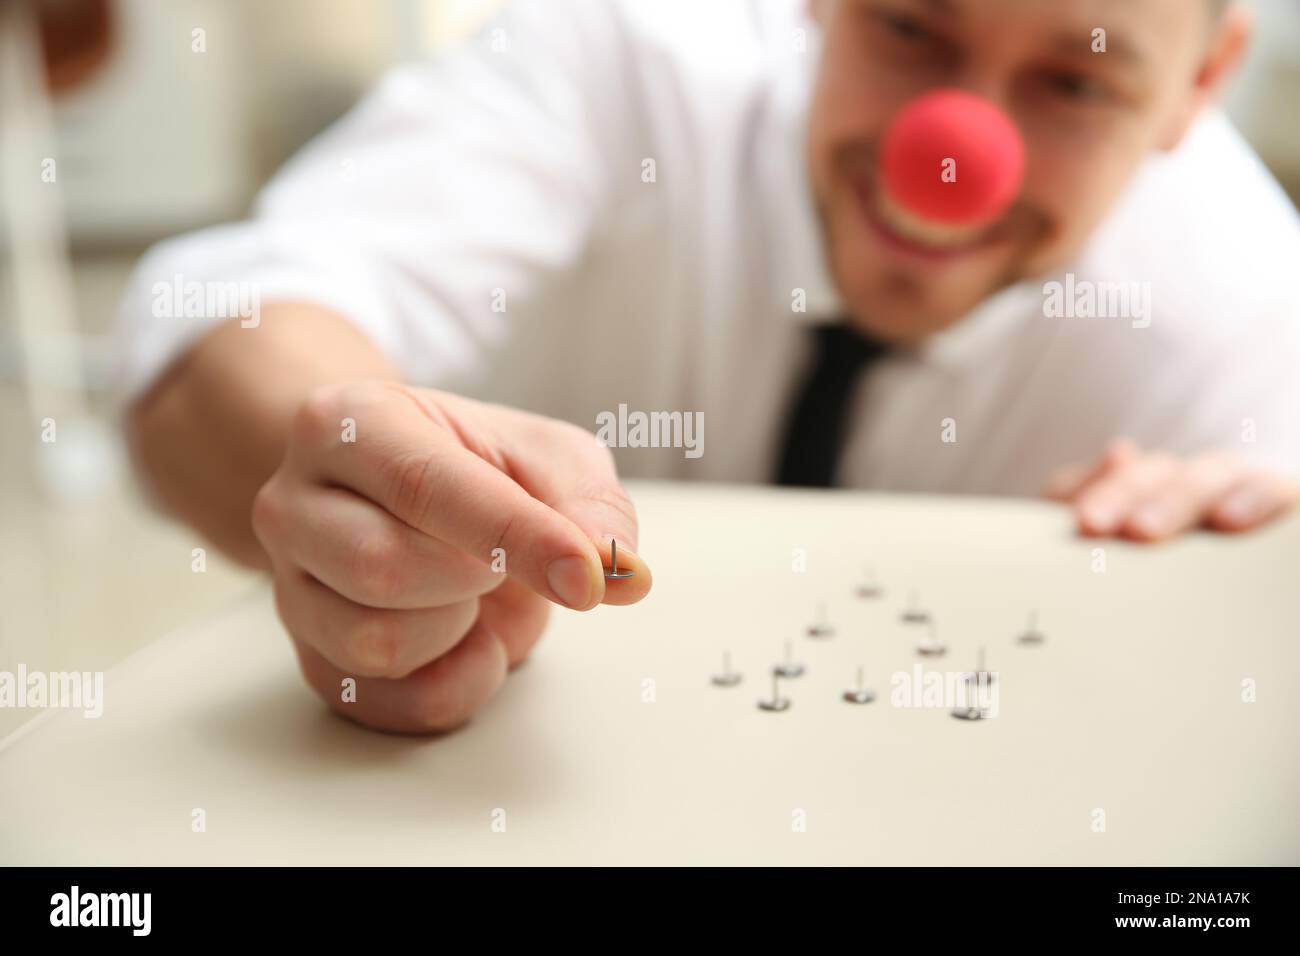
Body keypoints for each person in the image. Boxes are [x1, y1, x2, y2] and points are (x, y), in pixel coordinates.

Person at [117, 0, 1300, 733]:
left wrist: (1255, 568)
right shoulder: (610, 52)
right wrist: (359, 476)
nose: (948, 157)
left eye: (1078, 81)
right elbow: (223, 326)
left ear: (1199, 82)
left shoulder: (1245, 301)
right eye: (907, 25)